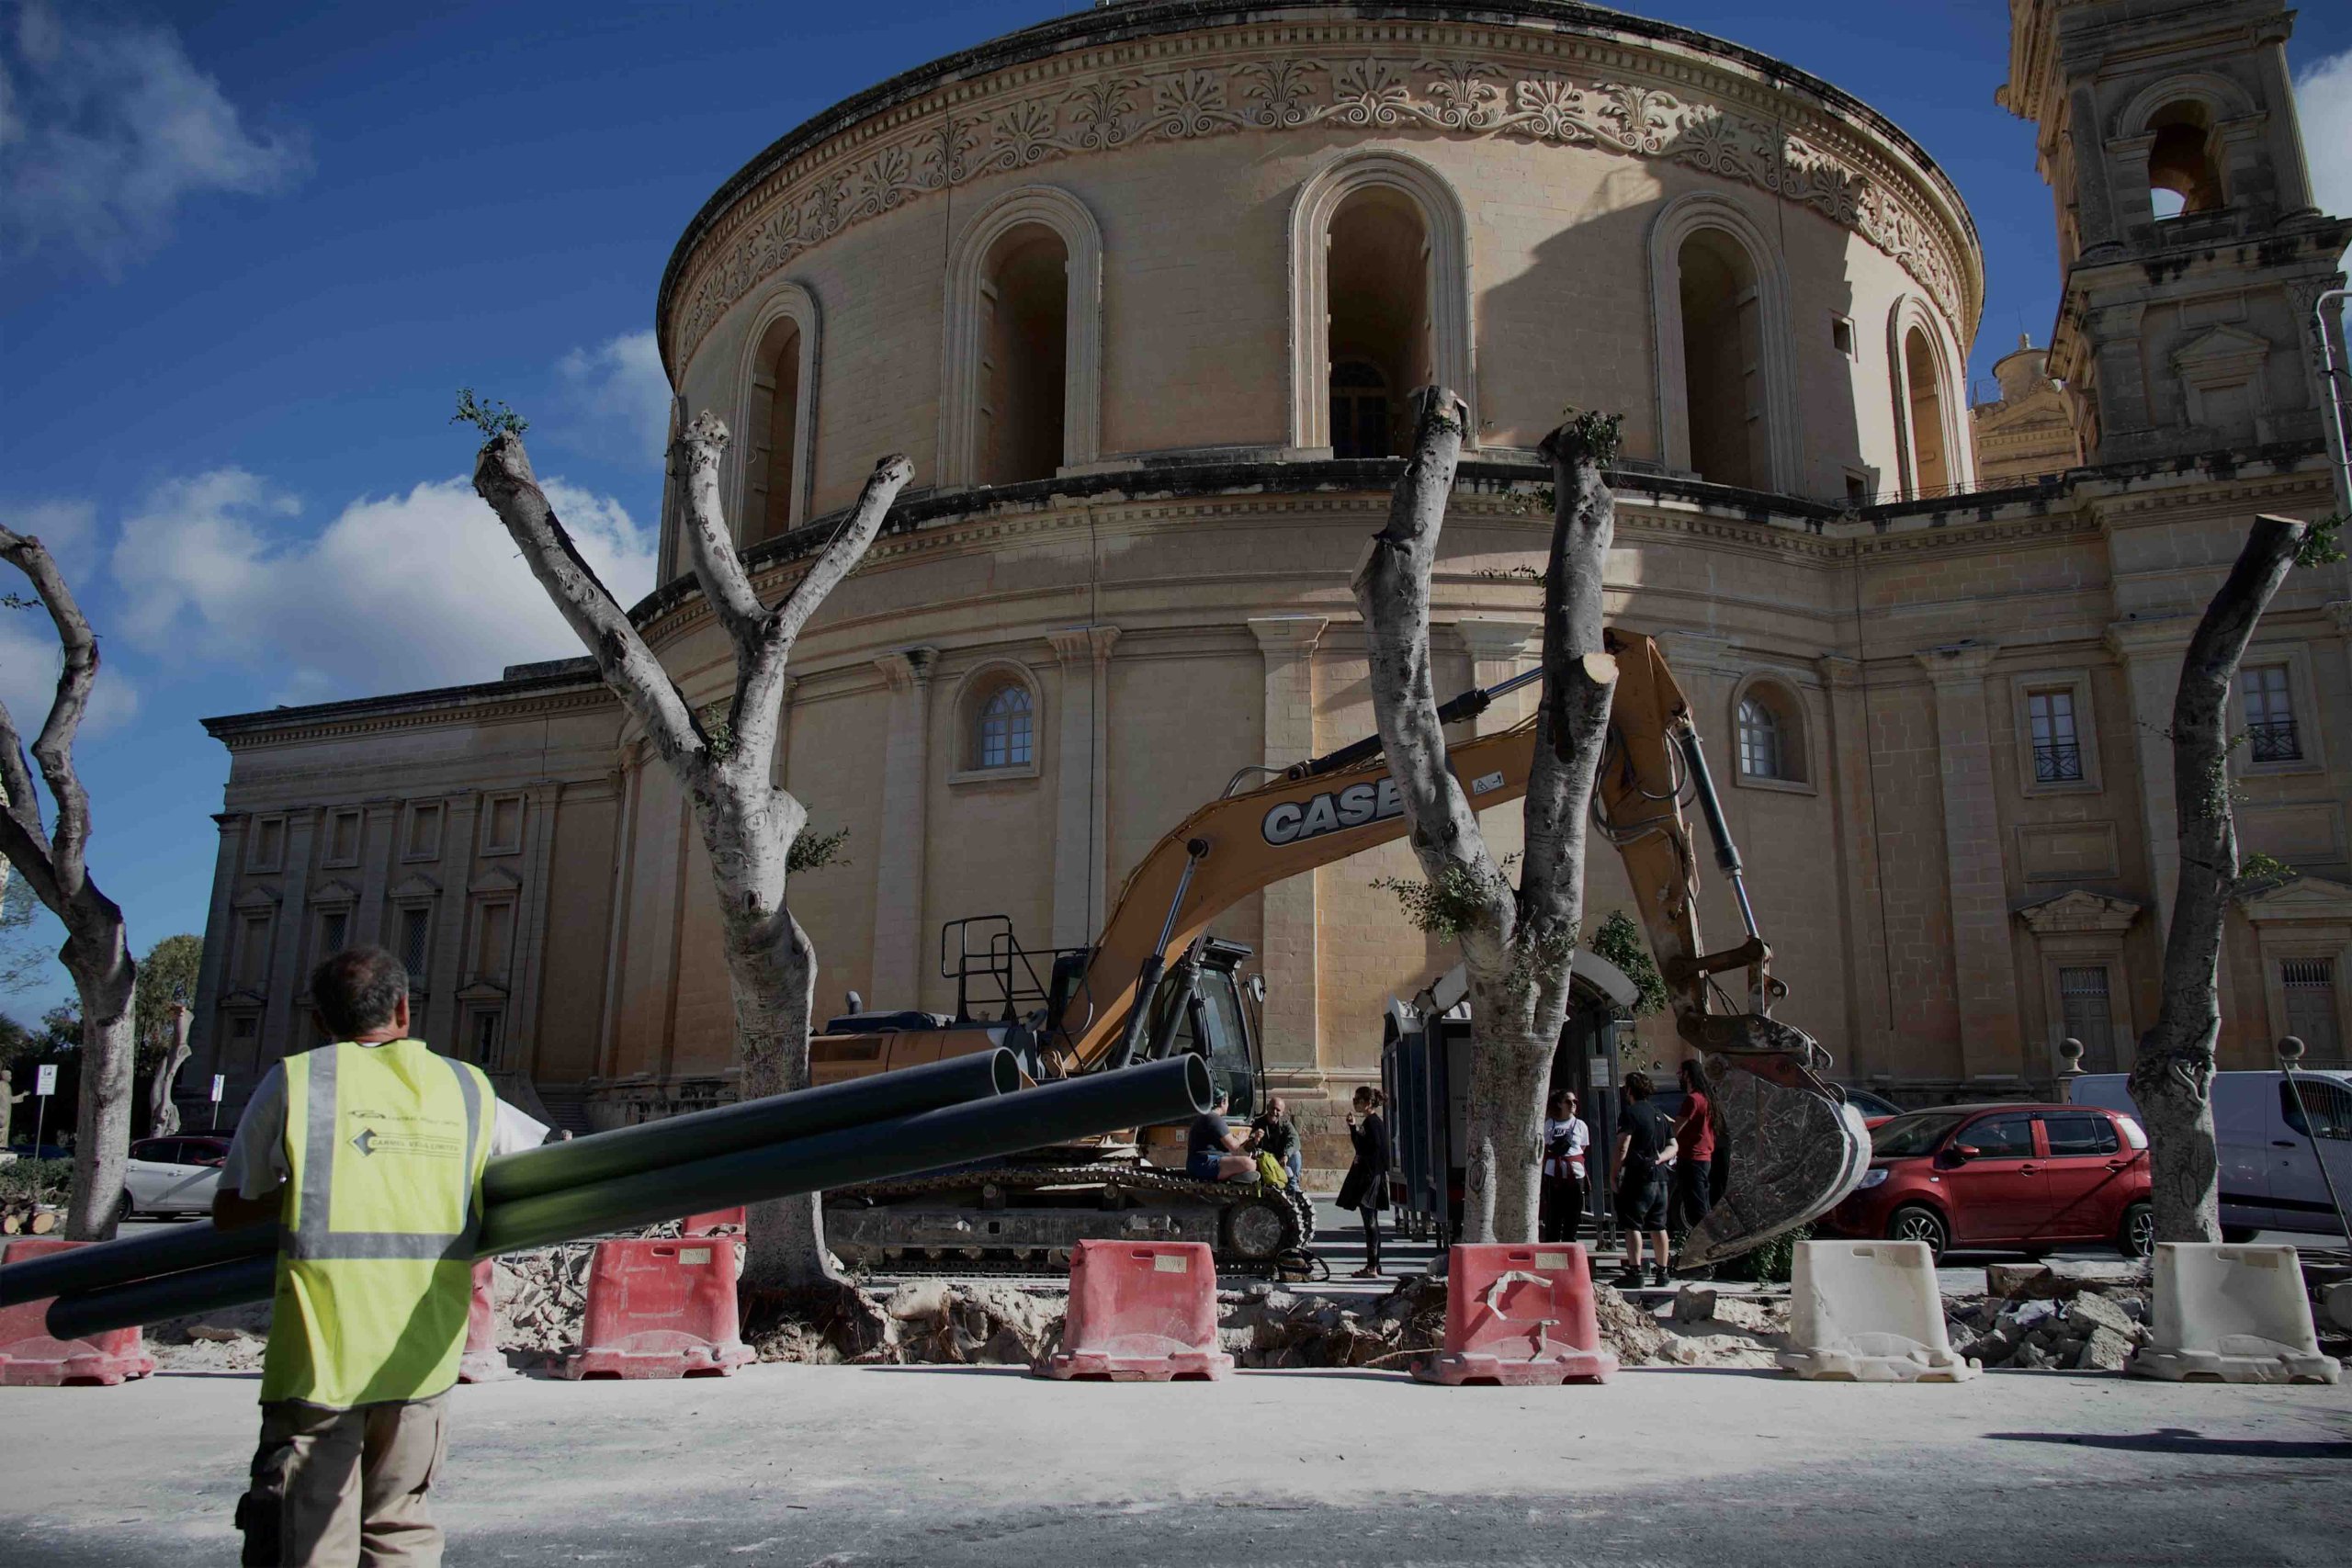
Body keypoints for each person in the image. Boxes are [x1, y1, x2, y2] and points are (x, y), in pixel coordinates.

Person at [214, 946, 552, 1567]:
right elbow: (543, 1164)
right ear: (404, 1007)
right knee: (398, 1532)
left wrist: (308, 1188)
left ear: (320, 1021)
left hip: (321, 1360)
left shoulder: (297, 1079)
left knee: (309, 1541)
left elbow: (232, 1206)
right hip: (421, 1360)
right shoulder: (465, 1086)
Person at [1612, 1070, 1678, 1290]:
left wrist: (1613, 1174)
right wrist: (1660, 1158)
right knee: (1659, 1225)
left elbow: (1623, 1145)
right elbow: (1674, 1145)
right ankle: (1662, 1271)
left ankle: (1635, 1271)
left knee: (1633, 1225)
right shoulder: (1659, 1113)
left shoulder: (1631, 1113)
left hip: (1638, 1176)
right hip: (1660, 1178)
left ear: (1629, 1090)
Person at [1338, 1086, 1389, 1279]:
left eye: (1358, 1100)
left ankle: (1372, 1266)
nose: (1355, 1103)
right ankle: (1375, 1264)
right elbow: (1362, 1145)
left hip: (1370, 1178)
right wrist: (1352, 1128)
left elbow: (1374, 1149)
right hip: (1372, 1176)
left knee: (1370, 1223)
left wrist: (1364, 1161)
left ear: (1368, 1103)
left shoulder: (1373, 1123)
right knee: (1371, 1222)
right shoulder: (1372, 1122)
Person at [1668, 1058, 1717, 1250]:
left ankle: (1705, 1254)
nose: (1679, 1078)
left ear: (1688, 1074)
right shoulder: (1706, 1098)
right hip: (1703, 1158)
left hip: (1692, 1159)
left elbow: (1676, 1130)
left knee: (1696, 1210)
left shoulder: (1693, 1099)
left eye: (1680, 1074)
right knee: (1699, 1206)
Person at [1539, 1089, 1589, 1245]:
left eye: (1575, 1102)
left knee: (1573, 1214)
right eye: (1568, 1101)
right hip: (1553, 1174)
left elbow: (1583, 1147)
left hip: (1574, 1174)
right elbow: (1543, 1147)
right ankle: (1551, 1245)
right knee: (1553, 1213)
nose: (1573, 1105)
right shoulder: (1549, 1124)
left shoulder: (1580, 1125)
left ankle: (1569, 1243)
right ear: (1560, 1104)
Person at [1185, 1085, 1260, 1183]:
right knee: (1249, 1164)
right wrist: (1241, 1139)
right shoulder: (1213, 1118)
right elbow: (1233, 1145)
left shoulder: (1205, 1117)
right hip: (1205, 1163)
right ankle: (1232, 1180)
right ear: (1223, 1101)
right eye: (1228, 1101)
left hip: (1200, 1163)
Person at [1252, 1095, 1304, 1190]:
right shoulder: (1258, 1123)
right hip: (1265, 1162)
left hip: (1280, 1161)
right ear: (1268, 1108)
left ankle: (1292, 1187)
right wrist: (1256, 1140)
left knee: (1296, 1154)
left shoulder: (1286, 1125)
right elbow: (1247, 1145)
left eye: (1278, 1110)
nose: (1274, 1112)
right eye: (1272, 1108)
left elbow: (1295, 1140)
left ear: (1282, 1113)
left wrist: (1286, 1155)